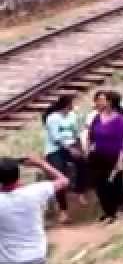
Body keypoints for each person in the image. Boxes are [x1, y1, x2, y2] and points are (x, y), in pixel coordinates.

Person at [0, 155, 69, 264]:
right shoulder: (35, 192)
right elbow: (64, 180)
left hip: (9, 262)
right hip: (36, 257)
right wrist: (41, 164)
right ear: (18, 174)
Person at [86, 91, 123, 223]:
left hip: (112, 157)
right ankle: (107, 211)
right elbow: (91, 135)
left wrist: (120, 160)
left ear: (111, 102)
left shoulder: (120, 120)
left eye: (106, 100)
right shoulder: (97, 118)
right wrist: (89, 149)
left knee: (110, 183)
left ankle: (113, 211)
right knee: (99, 185)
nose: (102, 103)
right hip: (97, 156)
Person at [41, 96, 83, 224]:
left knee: (83, 163)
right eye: (72, 104)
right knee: (59, 178)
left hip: (70, 147)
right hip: (55, 150)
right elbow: (56, 138)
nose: (73, 106)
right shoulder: (52, 118)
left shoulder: (72, 116)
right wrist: (70, 149)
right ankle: (63, 211)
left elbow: (76, 134)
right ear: (66, 105)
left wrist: (79, 149)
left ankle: (79, 191)